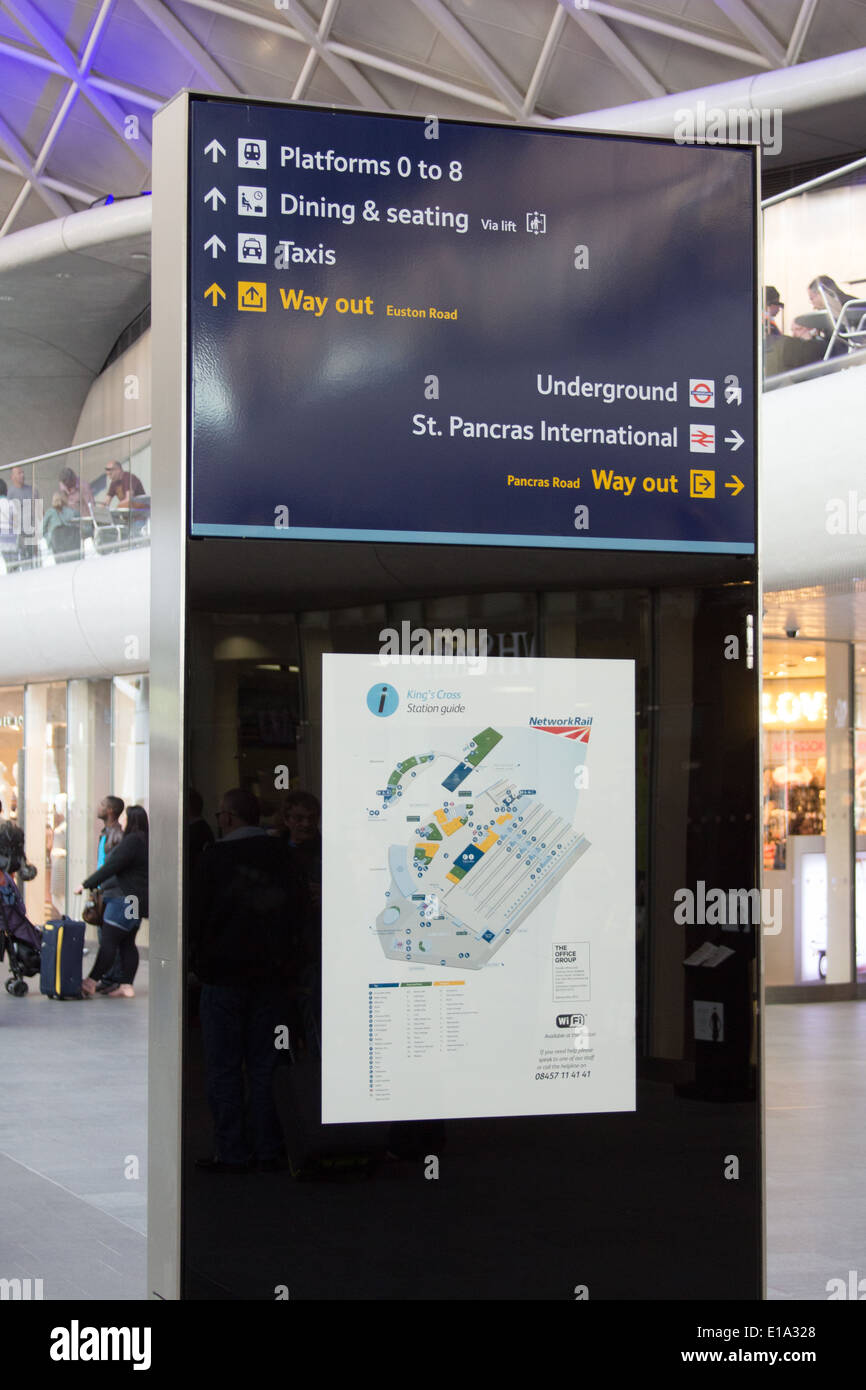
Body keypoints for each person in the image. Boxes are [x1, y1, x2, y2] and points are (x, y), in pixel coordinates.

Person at [190, 787, 309, 1172]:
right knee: (266, 1064)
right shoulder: (284, 856)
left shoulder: (213, 860)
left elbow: (197, 916)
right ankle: (269, 1146)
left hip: (223, 977)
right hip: (272, 978)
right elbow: (299, 913)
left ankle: (232, 1150)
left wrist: (196, 962)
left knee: (224, 1066)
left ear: (227, 817)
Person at [75, 805, 149, 999]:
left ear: (131, 820)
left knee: (109, 941)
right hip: (135, 900)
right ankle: (126, 985)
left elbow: (111, 866)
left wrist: (87, 884)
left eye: (125, 817)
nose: (122, 821)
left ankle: (90, 982)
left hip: (123, 899)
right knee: (128, 942)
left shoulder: (131, 841)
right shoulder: (145, 841)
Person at [792, 275, 855, 355]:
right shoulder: (852, 302)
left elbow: (834, 344)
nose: (813, 305)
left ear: (821, 293)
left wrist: (811, 340)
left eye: (812, 298)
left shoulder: (835, 309)